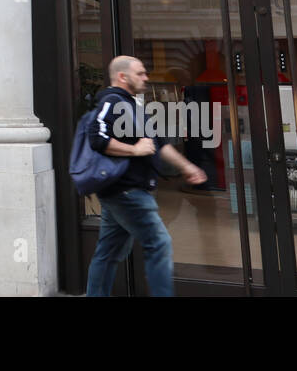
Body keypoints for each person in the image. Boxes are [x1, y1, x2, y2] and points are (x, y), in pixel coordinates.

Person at [85, 54, 207, 297]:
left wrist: (187, 167)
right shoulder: (112, 101)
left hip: (123, 191)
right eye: (140, 73)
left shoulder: (132, 106)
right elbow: (97, 138)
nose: (146, 77)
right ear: (122, 76)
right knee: (159, 244)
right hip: (127, 192)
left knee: (107, 253)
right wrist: (134, 149)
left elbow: (158, 144)